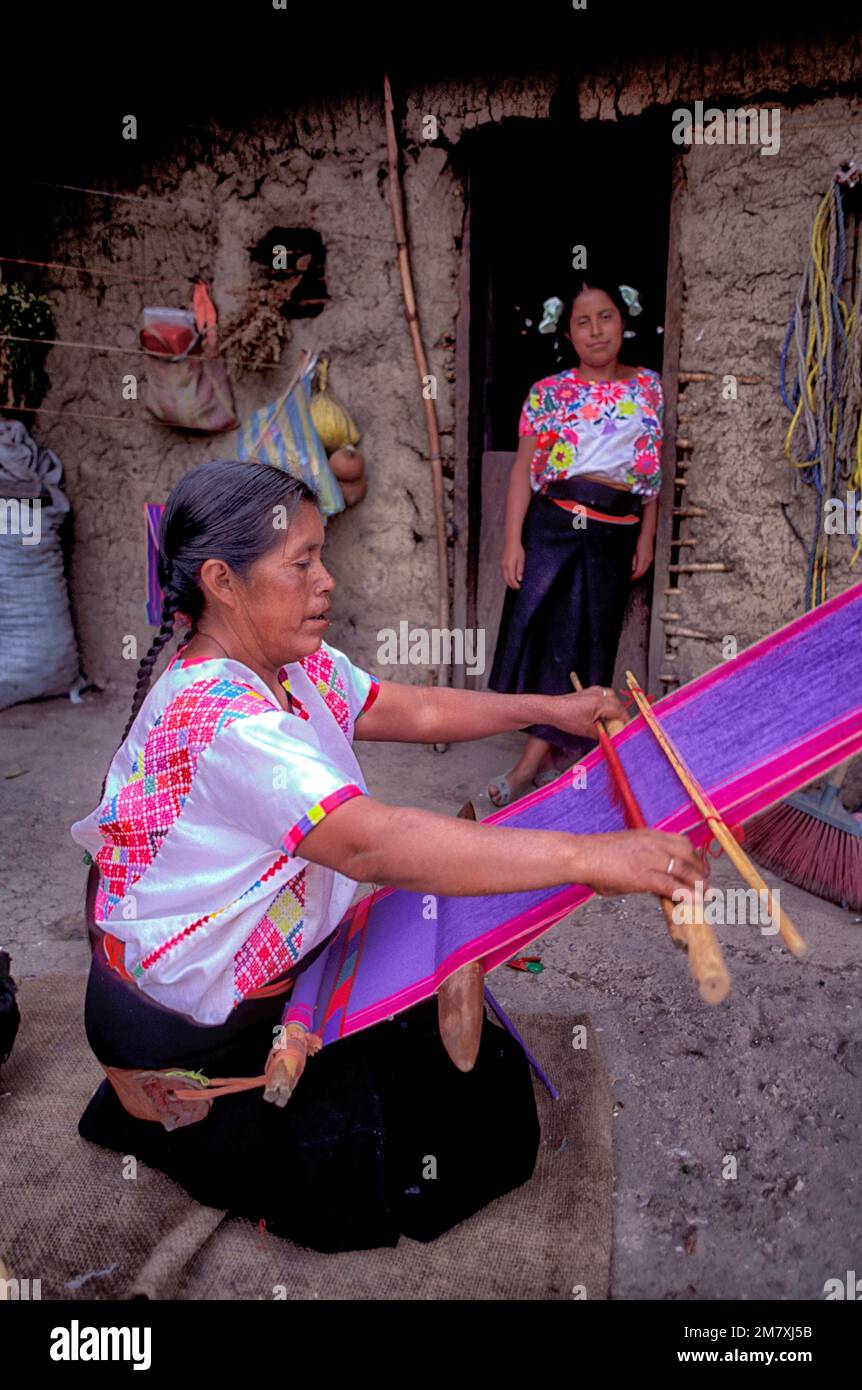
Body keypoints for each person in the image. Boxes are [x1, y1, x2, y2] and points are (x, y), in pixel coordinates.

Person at [71, 458, 700, 1253]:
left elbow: (416, 706)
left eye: (320, 554)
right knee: (442, 1147)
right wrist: (591, 856)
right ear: (223, 582)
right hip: (189, 1016)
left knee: (480, 1080)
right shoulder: (221, 718)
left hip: (267, 966)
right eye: (301, 563)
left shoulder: (286, 667)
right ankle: (171, 1104)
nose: (326, 580)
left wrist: (554, 708)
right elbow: (369, 843)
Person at [485, 273, 664, 807]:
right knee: (547, 639)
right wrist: (511, 541)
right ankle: (531, 764)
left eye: (605, 317)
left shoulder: (648, 386)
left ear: (624, 321)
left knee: (592, 644)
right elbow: (522, 470)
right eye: (582, 322)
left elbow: (651, 474)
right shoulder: (547, 393)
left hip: (614, 533)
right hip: (553, 527)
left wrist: (647, 537)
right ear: (567, 333)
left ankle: (553, 755)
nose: (595, 331)